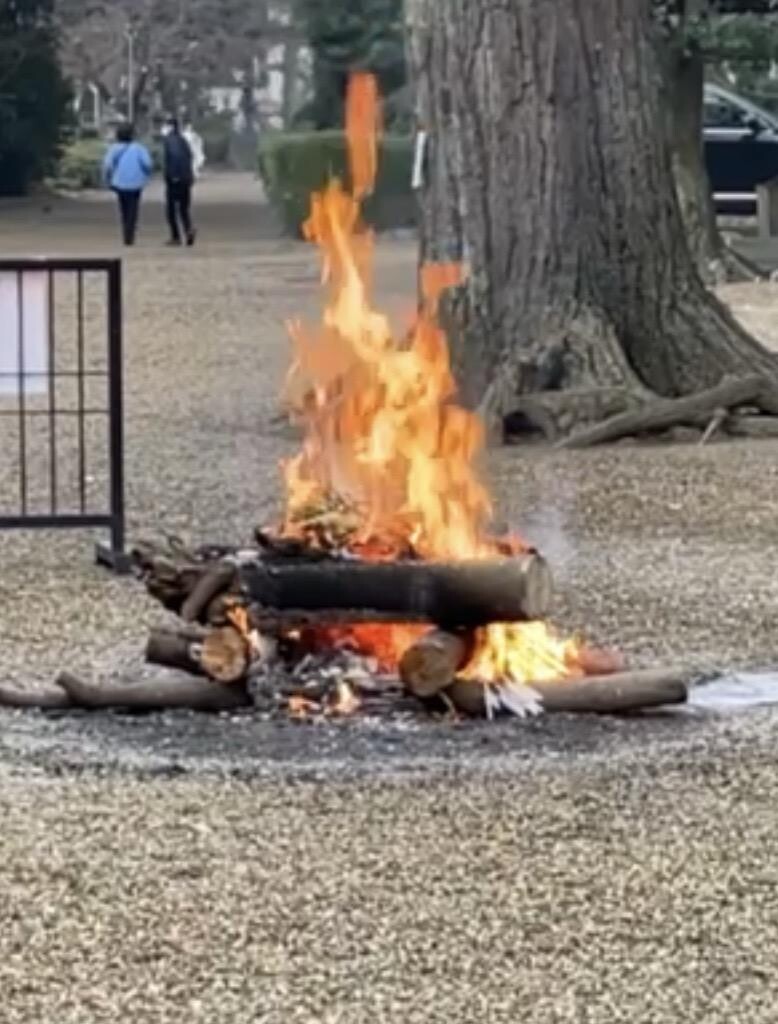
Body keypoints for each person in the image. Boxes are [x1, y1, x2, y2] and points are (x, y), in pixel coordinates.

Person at [102, 123, 153, 246]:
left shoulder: (113, 149)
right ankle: (130, 231)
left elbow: (107, 166)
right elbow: (148, 164)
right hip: (136, 183)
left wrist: (107, 180)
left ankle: (126, 230)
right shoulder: (139, 148)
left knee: (123, 208)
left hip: (119, 183)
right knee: (133, 208)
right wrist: (146, 175)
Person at [162, 117, 196, 246]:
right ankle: (188, 230)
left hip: (175, 179)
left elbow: (175, 157)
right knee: (183, 209)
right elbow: (190, 157)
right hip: (186, 178)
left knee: (171, 210)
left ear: (170, 126)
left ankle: (176, 237)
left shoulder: (171, 141)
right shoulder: (183, 140)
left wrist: (174, 174)